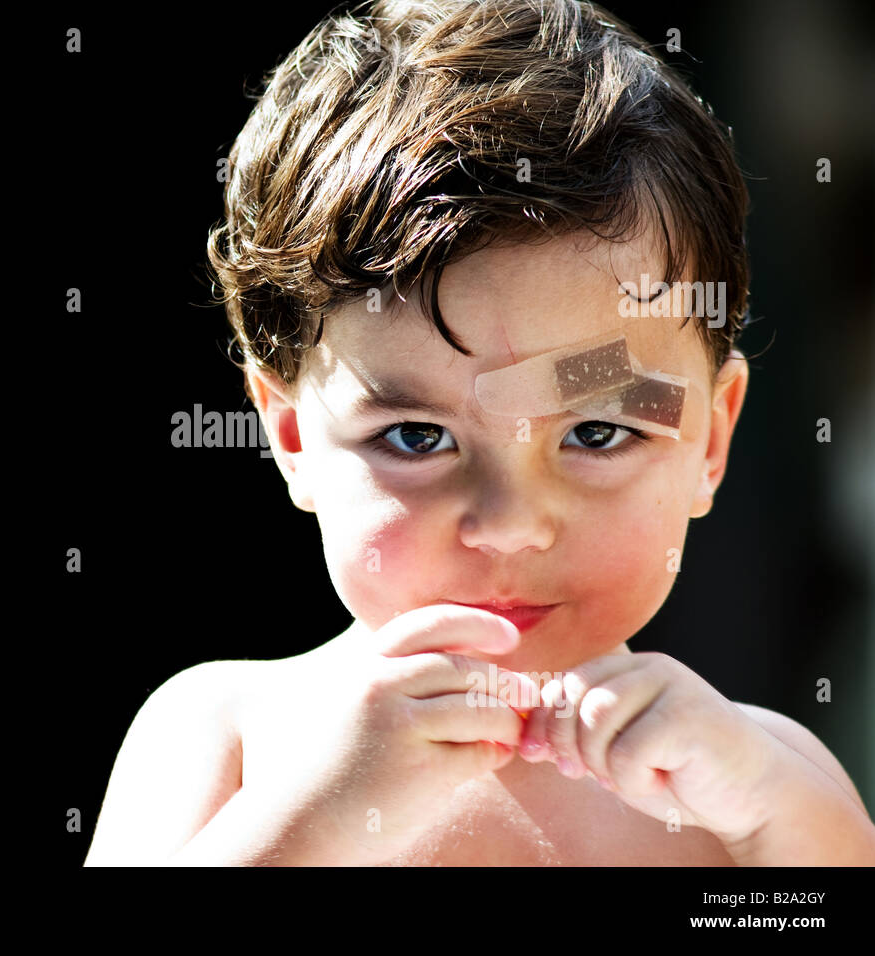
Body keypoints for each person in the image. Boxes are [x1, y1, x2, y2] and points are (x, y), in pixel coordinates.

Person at [83, 0, 875, 865]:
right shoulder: (233, 736)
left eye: (599, 433)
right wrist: (312, 822)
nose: (509, 522)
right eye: (419, 437)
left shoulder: (758, 786)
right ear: (294, 437)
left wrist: (774, 826)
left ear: (711, 443)